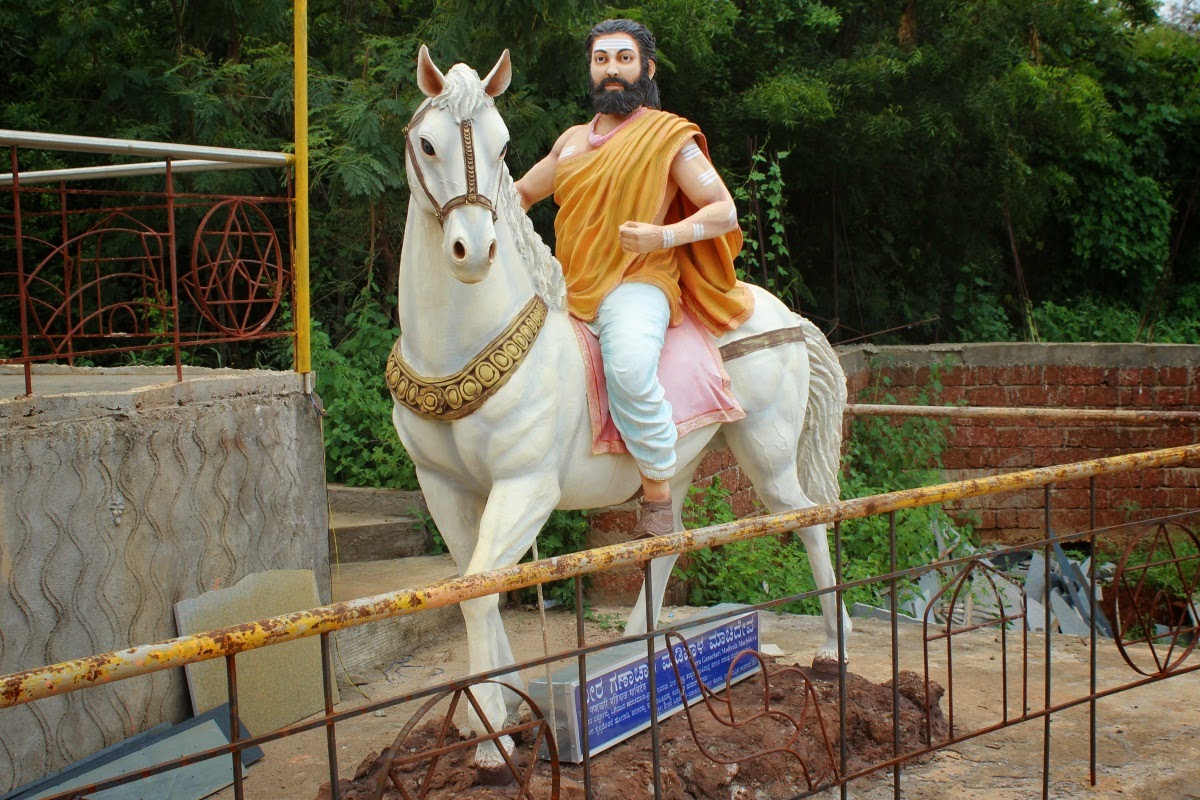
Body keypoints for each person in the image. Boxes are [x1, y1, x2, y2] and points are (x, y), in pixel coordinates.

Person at [514, 18, 753, 538]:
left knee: (626, 367)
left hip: (638, 282)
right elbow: (520, 196)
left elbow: (724, 211)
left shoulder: (668, 136)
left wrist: (661, 237)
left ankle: (657, 491)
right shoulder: (571, 142)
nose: (612, 71)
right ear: (591, 70)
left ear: (646, 67)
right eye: (602, 60)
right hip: (567, 287)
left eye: (624, 59)